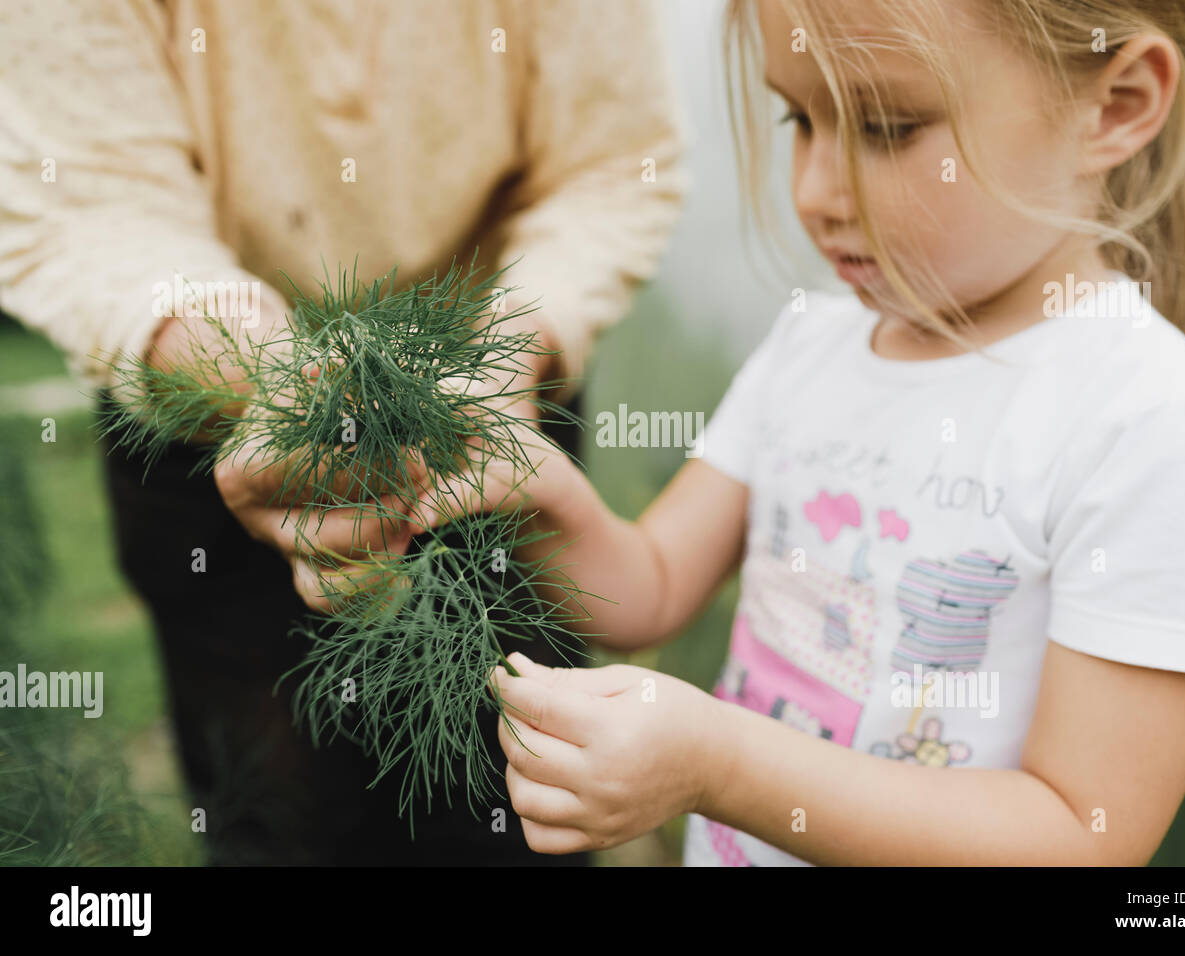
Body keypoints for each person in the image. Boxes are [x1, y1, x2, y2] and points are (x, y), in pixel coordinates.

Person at [433, 0, 1185, 864]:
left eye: (888, 127)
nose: (813, 191)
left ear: (1118, 106)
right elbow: (649, 586)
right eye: (801, 118)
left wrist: (720, 765)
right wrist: (526, 489)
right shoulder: (813, 342)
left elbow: (1077, 836)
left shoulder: (1165, 430)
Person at [0, 0, 685, 865]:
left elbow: (615, 160)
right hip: (214, 415)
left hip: (492, 416)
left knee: (510, 803)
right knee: (276, 816)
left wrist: (507, 349)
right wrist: (275, 387)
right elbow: (91, 202)